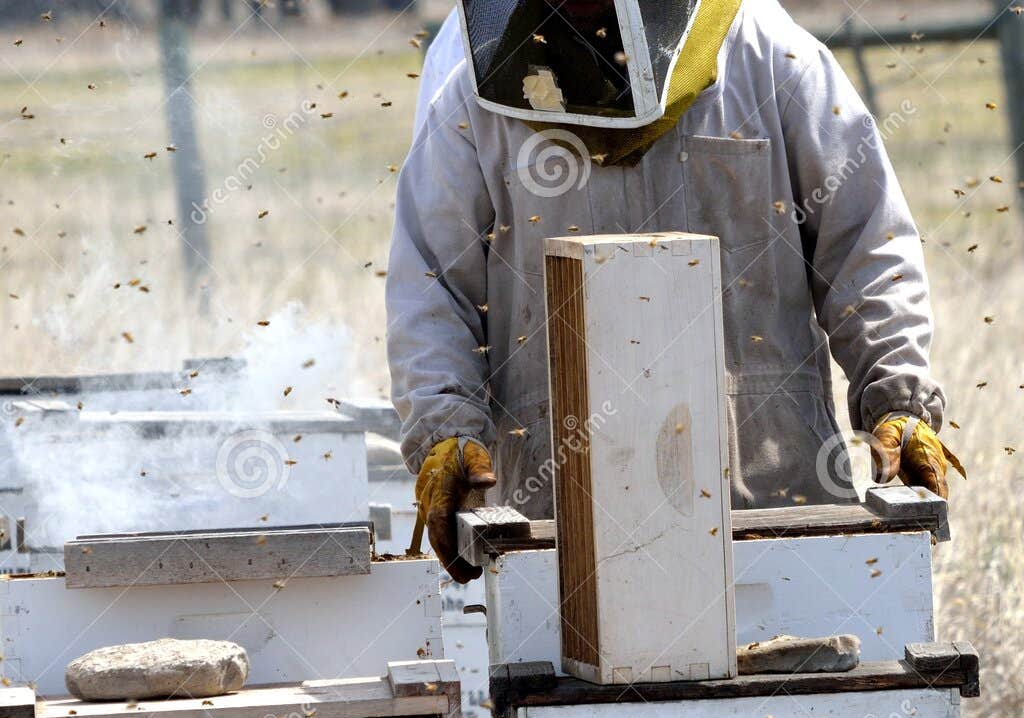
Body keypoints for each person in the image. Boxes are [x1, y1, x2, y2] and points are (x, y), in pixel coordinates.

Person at [389, 0, 959, 581]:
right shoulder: (479, 97)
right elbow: (433, 281)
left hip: (769, 494)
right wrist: (445, 429)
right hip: (557, 512)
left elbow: (865, 241)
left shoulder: (769, 57)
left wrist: (898, 397)